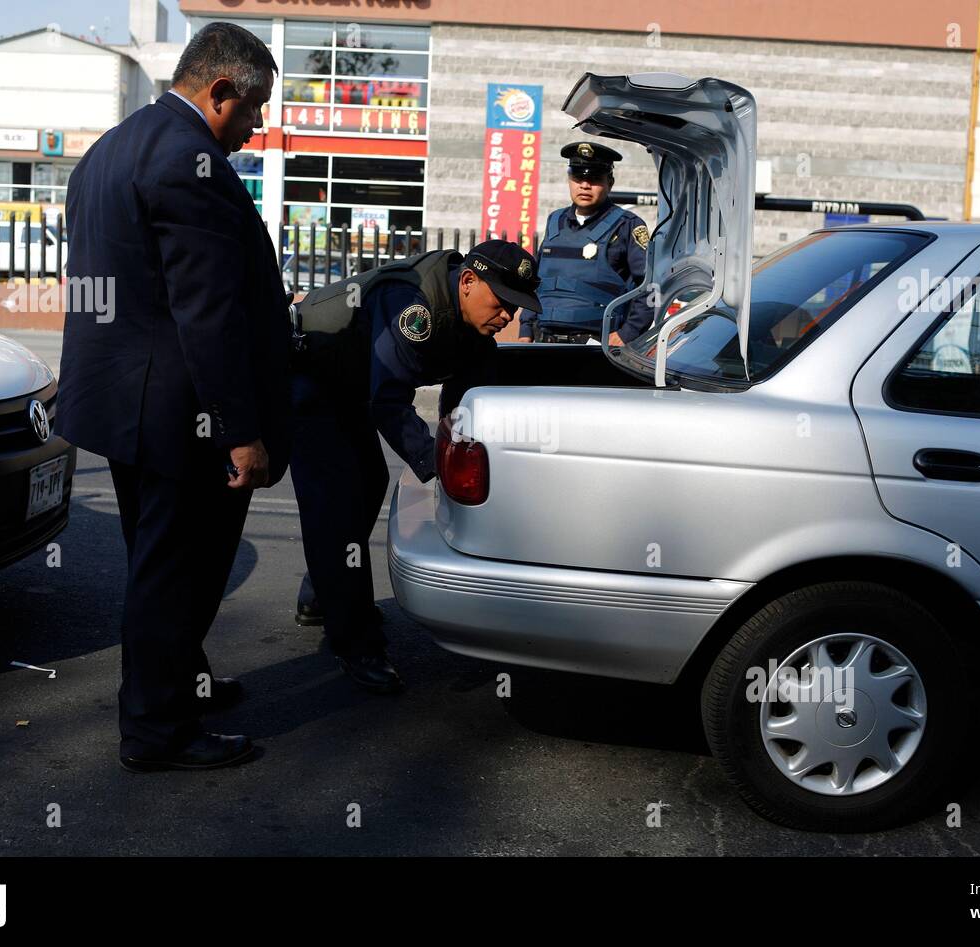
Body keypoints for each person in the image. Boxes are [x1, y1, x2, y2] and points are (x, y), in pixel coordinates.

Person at [56, 22, 291, 772]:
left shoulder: (110, 148)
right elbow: (207, 311)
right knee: (175, 573)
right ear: (219, 90)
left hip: (127, 404)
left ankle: (178, 686)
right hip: (178, 412)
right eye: (252, 111)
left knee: (160, 565)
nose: (254, 130)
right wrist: (240, 430)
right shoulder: (187, 163)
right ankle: (159, 730)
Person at [289, 240, 541, 693]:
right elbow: (389, 403)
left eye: (517, 308)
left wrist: (468, 454)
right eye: (503, 303)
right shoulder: (414, 308)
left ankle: (321, 595)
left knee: (369, 482)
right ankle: (356, 643)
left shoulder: (474, 320)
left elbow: (465, 401)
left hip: (351, 386)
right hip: (313, 379)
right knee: (339, 501)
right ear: (468, 281)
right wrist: (437, 467)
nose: (509, 317)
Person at [518, 141, 653, 346]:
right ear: (570, 180)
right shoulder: (555, 221)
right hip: (544, 343)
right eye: (578, 177)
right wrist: (525, 329)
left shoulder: (627, 225)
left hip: (595, 348)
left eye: (595, 178)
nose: (585, 185)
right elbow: (536, 282)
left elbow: (651, 285)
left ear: (610, 182)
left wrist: (628, 334)